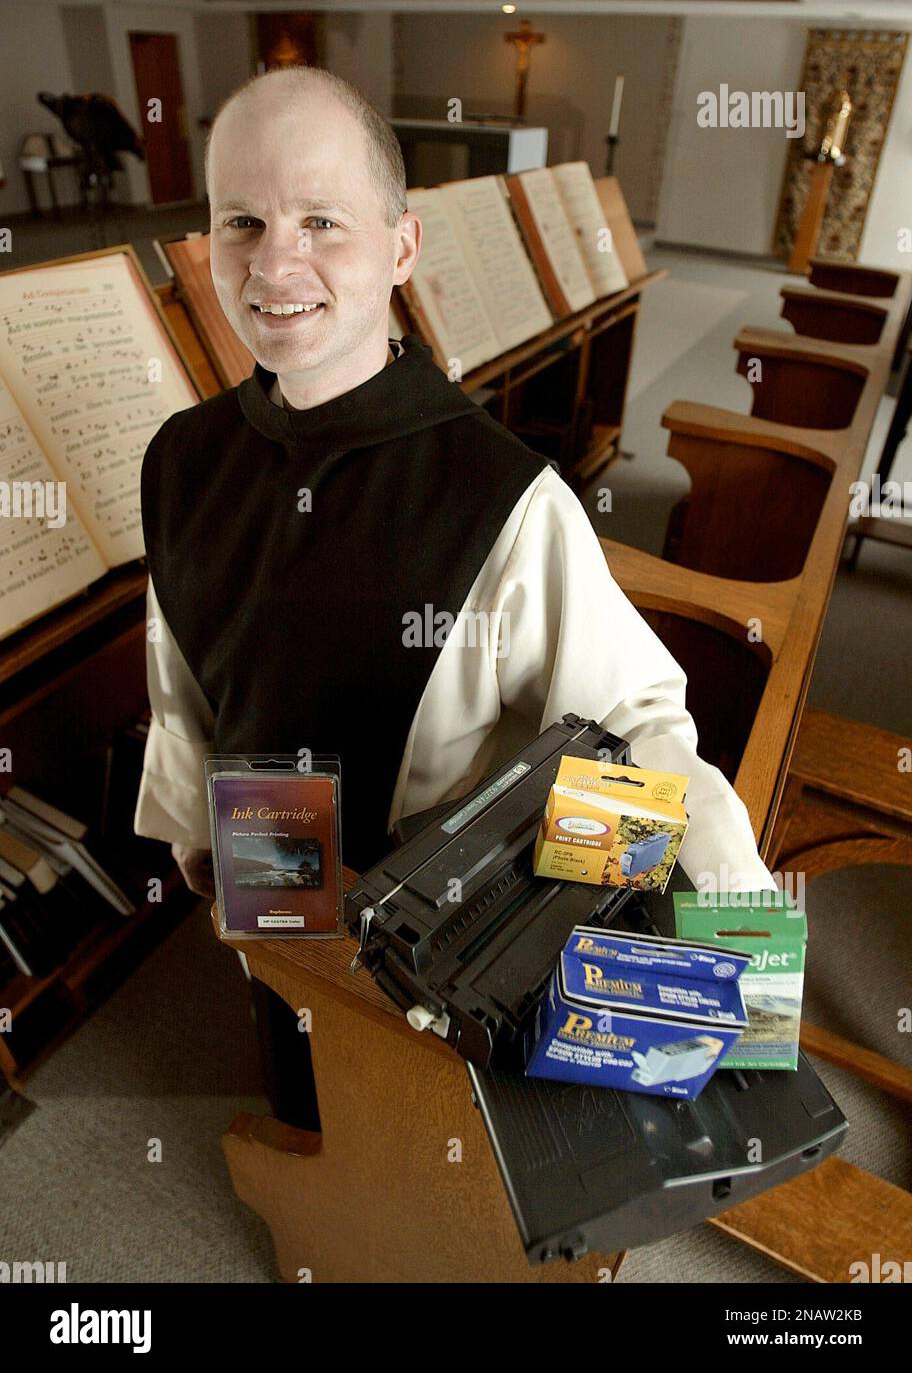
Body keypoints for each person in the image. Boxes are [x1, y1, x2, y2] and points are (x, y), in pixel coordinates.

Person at [134, 64, 776, 1127]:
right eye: (242, 220)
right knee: (297, 1075)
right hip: (268, 854)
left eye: (323, 220)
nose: (275, 261)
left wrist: (750, 978)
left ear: (401, 246)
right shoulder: (182, 457)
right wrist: (192, 834)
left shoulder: (503, 498)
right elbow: (186, 680)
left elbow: (639, 731)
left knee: (400, 1127)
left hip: (424, 918)